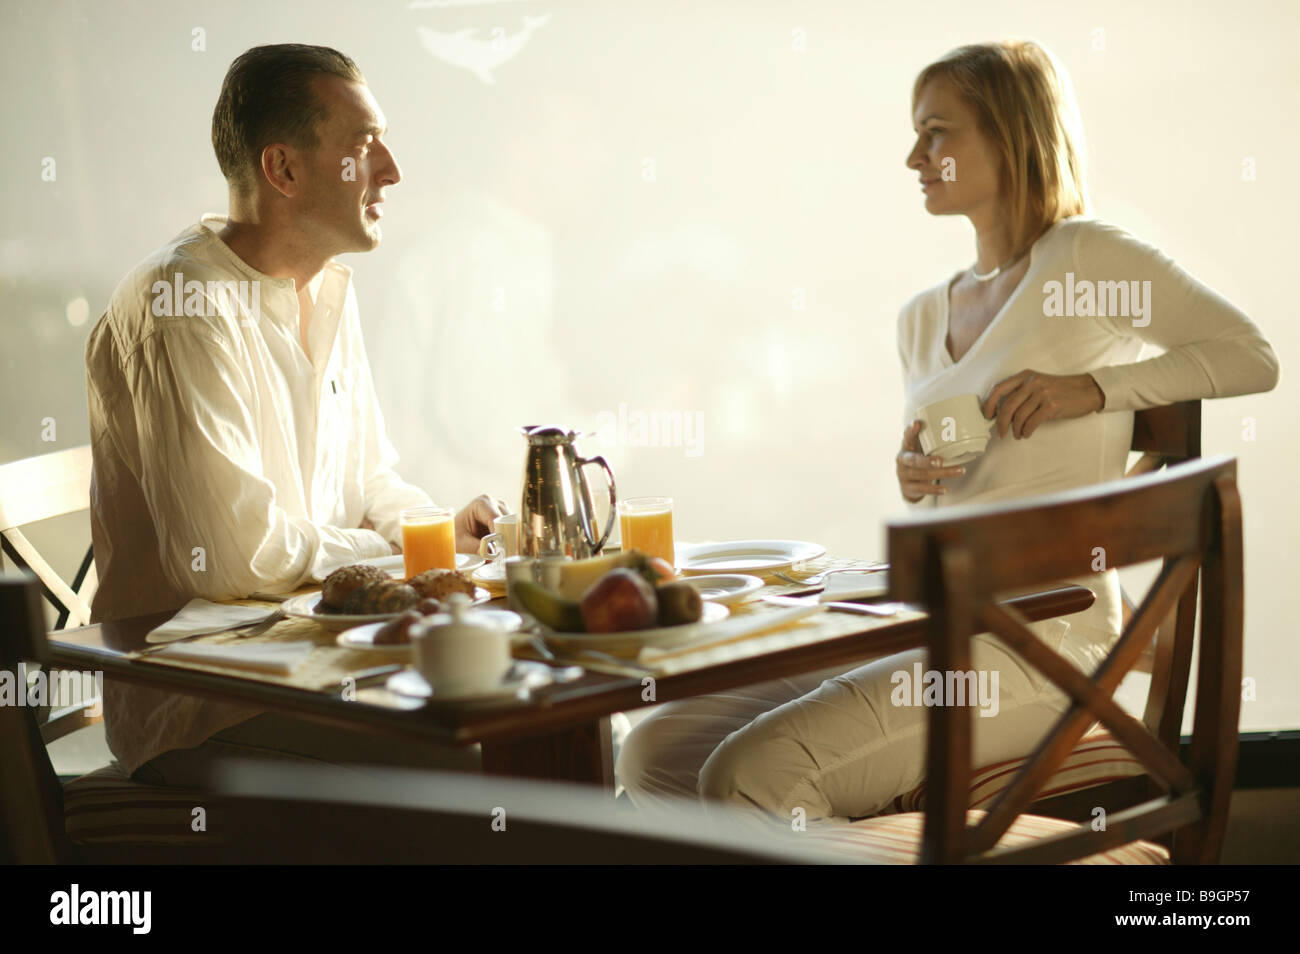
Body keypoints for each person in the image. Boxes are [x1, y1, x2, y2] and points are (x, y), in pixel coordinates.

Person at [616, 40, 1280, 823]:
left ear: (1007, 135)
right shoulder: (923, 316)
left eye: (936, 132)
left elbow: (1252, 356)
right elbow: (953, 494)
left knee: (748, 776)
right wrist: (914, 478)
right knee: (652, 749)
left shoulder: (1086, 258)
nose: (913, 157)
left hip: (1045, 648)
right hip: (934, 629)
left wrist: (1095, 389)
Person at [85, 44, 506, 786]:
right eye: (362, 146)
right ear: (282, 170)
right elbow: (231, 557)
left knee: (528, 717)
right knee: (487, 755)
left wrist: (441, 537)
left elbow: (371, 481)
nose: (392, 171)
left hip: (318, 670)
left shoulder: (330, 290)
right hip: (206, 715)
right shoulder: (182, 303)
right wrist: (402, 561)